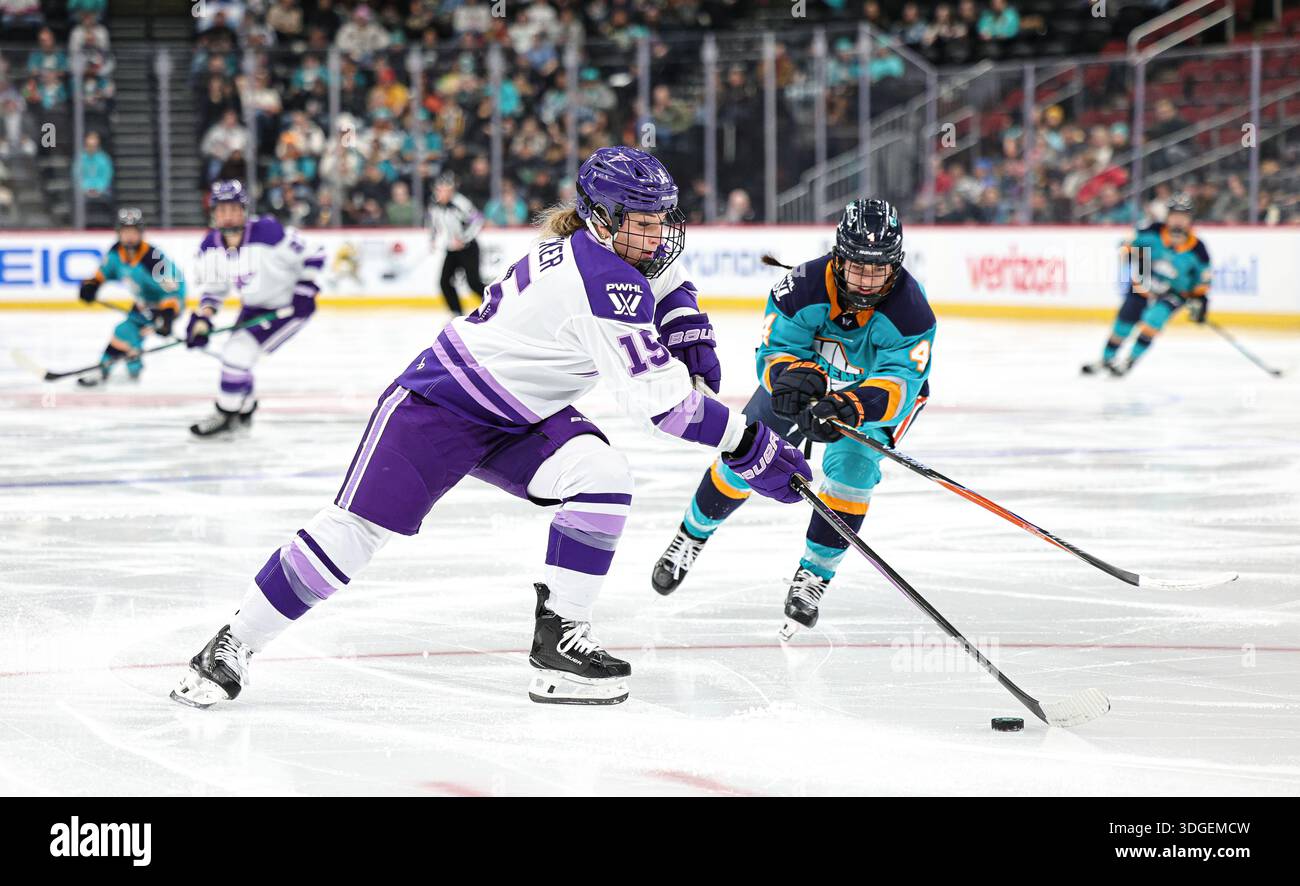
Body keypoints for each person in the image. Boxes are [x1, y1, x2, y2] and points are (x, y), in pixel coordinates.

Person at [170, 147, 810, 709]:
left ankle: (560, 639)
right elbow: (667, 407)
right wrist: (753, 446)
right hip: (439, 405)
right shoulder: (602, 279)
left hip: (521, 416)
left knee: (603, 478)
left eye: (662, 221)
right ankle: (233, 642)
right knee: (354, 534)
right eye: (641, 224)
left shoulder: (607, 247)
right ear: (602, 219)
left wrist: (688, 326)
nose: (655, 237)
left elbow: (666, 276)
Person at [651, 199, 936, 639]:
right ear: (838, 257)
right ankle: (691, 535)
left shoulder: (912, 312)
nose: (866, 281)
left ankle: (814, 577)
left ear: (895, 266)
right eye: (857, 267)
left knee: (852, 475)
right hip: (810, 383)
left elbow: (900, 384)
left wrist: (850, 407)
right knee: (743, 455)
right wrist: (790, 380)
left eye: (878, 270)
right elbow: (772, 352)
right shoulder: (800, 287)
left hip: (866, 400)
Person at [185, 179, 325, 436]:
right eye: (221, 210)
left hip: (287, 307)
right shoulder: (209, 245)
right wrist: (202, 319)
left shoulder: (268, 232)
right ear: (214, 213)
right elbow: (214, 290)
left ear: (244, 210)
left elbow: (315, 253)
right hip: (253, 307)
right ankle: (245, 406)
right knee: (235, 354)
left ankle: (226, 415)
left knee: (237, 354)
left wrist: (304, 289)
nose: (227, 216)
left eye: (233, 209)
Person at [1081, 192, 1212, 377]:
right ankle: (1106, 359)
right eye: (1175, 216)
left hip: (1174, 292)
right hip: (1145, 282)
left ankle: (1129, 361)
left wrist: (1200, 299)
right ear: (1168, 217)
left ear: (1189, 219)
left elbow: (1203, 280)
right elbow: (1127, 245)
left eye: (1183, 217)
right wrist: (1132, 253)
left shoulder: (1198, 250)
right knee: (1123, 323)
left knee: (1154, 320)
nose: (1178, 221)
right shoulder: (1152, 231)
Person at [74, 208, 186, 386]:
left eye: (133, 232)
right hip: (144, 303)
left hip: (167, 304)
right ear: (119, 232)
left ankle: (116, 369)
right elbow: (103, 273)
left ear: (141, 233)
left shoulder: (153, 260)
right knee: (126, 332)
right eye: (125, 232)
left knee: (126, 331)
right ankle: (132, 369)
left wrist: (166, 316)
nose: (129, 237)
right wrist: (91, 286)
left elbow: (173, 291)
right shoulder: (116, 253)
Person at [427, 172, 485, 315]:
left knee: (473, 283)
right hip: (452, 249)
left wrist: (463, 239)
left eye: (446, 189)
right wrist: (433, 239)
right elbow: (433, 223)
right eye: (440, 189)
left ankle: (497, 304)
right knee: (444, 282)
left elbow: (478, 220)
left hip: (468, 248)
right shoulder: (434, 204)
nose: (442, 192)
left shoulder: (461, 203)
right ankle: (457, 312)